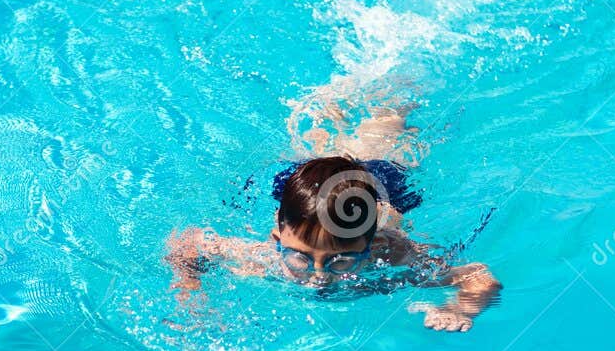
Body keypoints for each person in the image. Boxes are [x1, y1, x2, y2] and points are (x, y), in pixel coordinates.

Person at [164, 90, 500, 333]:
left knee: (387, 120)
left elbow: (479, 277)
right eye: (298, 259)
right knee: (322, 141)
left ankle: (393, 84)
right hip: (307, 190)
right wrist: (188, 288)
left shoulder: (394, 254)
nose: (318, 277)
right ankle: (333, 105)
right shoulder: (263, 255)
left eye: (340, 261)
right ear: (276, 237)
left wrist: (457, 309)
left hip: (379, 183)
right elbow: (187, 243)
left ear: (375, 245)